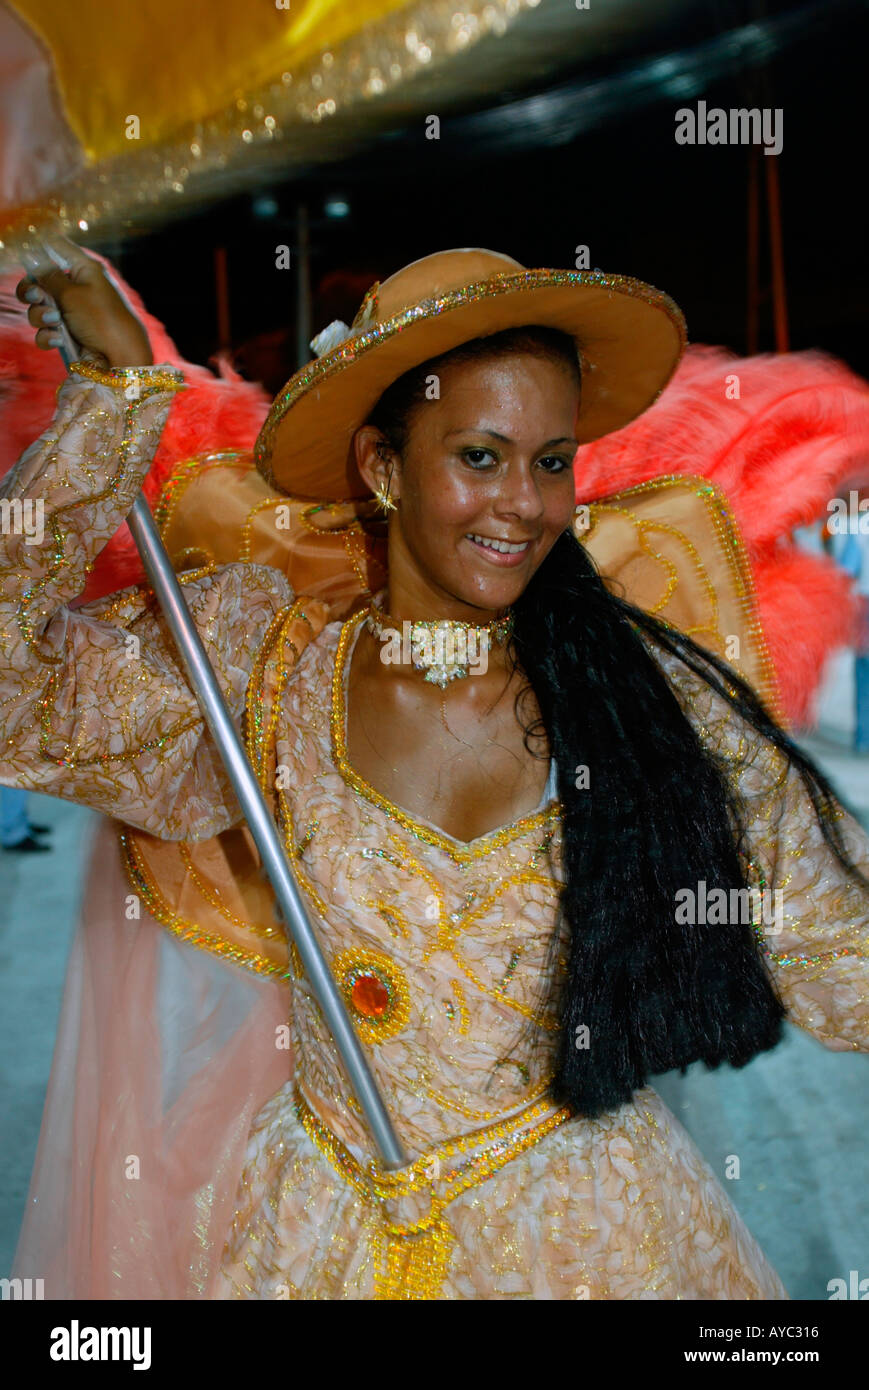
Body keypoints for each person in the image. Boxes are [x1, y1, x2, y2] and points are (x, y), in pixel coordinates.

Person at [2, 238, 868, 1300]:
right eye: (478, 455)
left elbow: (844, 959)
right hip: (324, 1236)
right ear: (379, 466)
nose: (523, 504)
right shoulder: (259, 675)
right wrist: (113, 399)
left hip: (595, 1241)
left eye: (550, 460)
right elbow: (15, 690)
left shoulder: (641, 700)